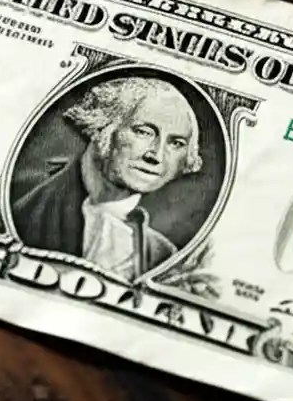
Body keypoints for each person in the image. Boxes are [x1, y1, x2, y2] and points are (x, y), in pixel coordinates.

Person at [11, 76, 203, 281]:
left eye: (176, 143)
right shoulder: (25, 203)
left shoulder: (162, 253)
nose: (156, 155)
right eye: (143, 132)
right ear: (102, 127)